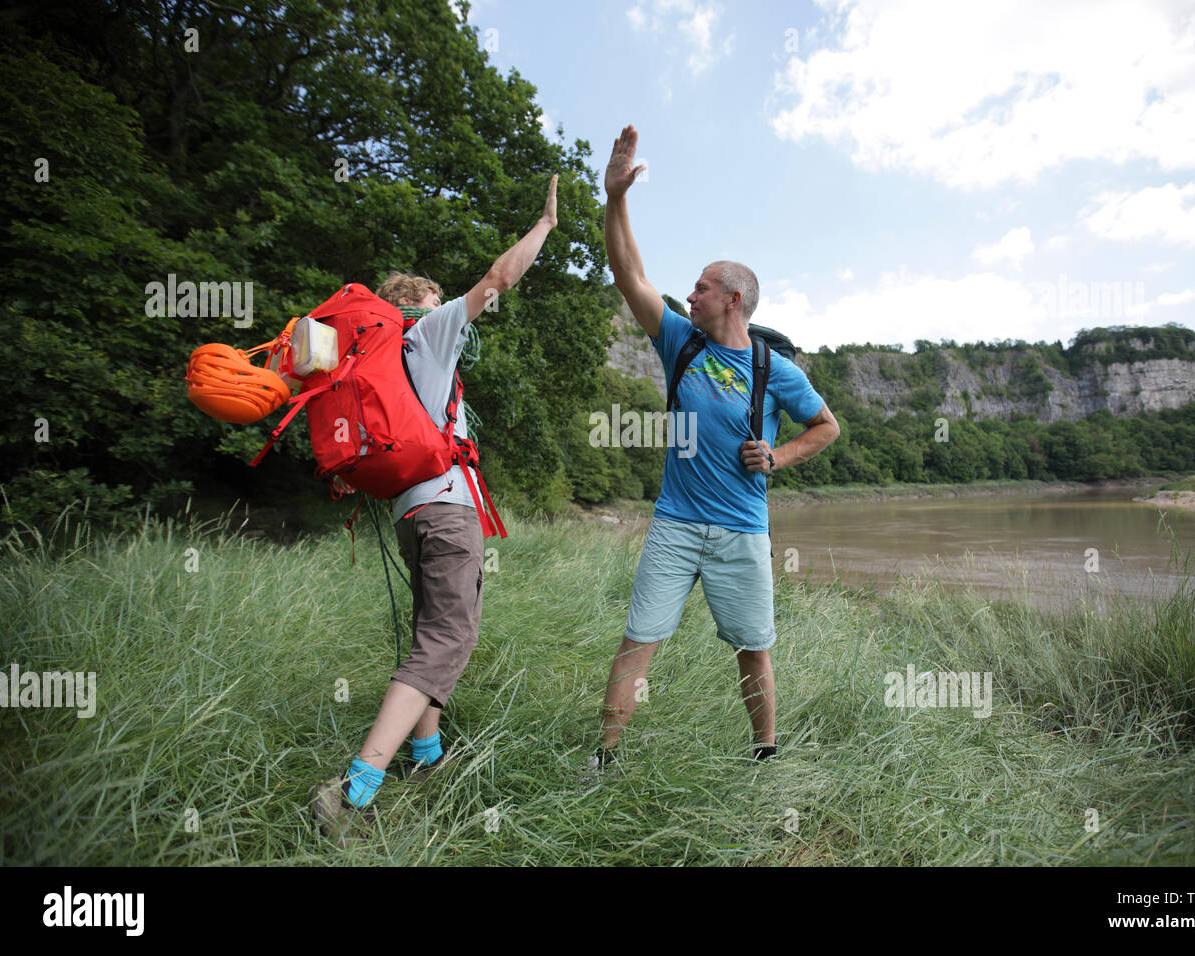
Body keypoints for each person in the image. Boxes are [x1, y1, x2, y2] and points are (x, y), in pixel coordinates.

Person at [312, 174, 559, 846]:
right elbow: (496, 280)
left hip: (410, 517)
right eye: (430, 294)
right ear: (415, 304)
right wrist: (543, 227)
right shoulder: (429, 334)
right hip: (448, 512)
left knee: (428, 635)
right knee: (450, 640)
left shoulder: (385, 357)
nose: (440, 298)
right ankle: (353, 789)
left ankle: (428, 761)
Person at [593, 126, 840, 768]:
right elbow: (629, 274)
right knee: (638, 641)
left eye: (702, 286)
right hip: (674, 525)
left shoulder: (774, 369)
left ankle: (765, 754)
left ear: (733, 298)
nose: (690, 292)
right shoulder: (680, 342)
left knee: (753, 648)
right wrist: (616, 197)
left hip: (741, 531)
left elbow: (826, 427)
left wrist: (778, 458)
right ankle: (606, 758)